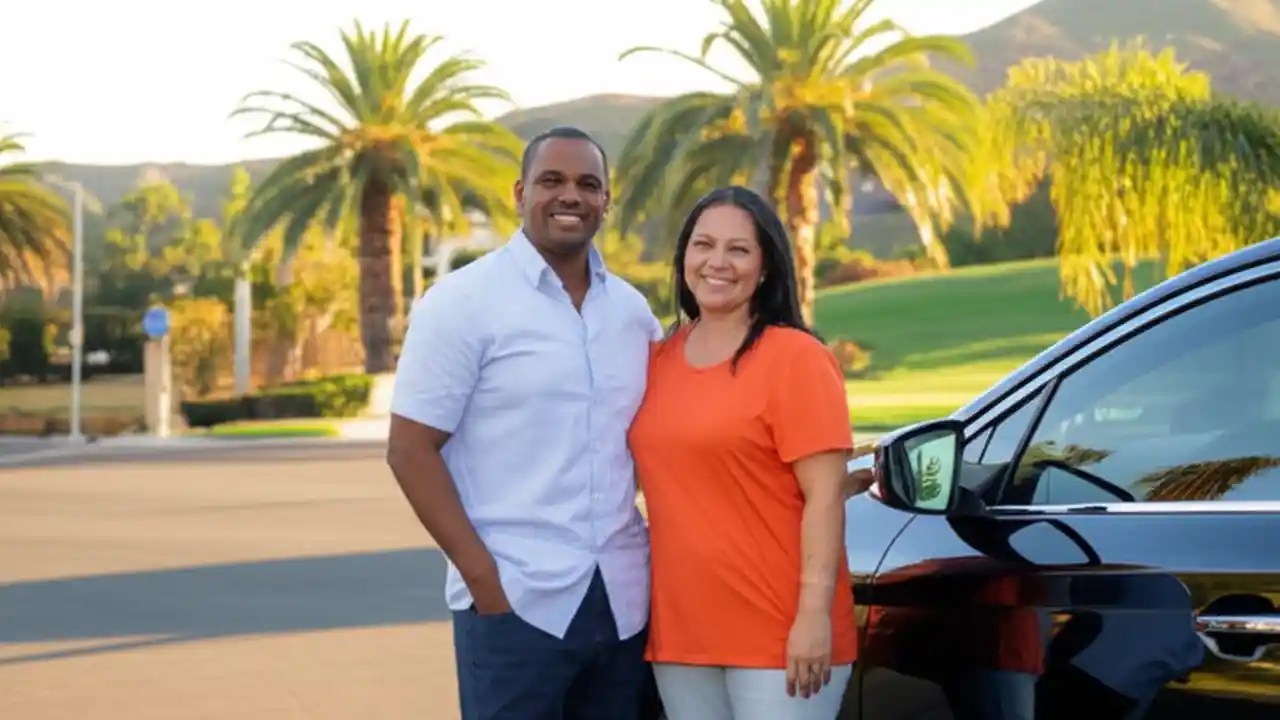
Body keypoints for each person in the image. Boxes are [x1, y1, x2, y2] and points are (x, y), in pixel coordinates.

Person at [386, 126, 662, 720]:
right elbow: (410, 450)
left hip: (623, 603)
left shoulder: (634, 314)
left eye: (589, 184)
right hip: (516, 607)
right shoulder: (462, 302)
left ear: (606, 202)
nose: (571, 196)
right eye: (552, 181)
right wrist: (486, 581)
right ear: (519, 192)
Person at [628, 186, 858, 720]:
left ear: (765, 266)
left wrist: (813, 617)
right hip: (682, 632)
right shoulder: (656, 361)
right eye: (703, 245)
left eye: (738, 249)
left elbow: (825, 496)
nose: (717, 262)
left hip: (781, 628)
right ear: (683, 256)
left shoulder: (796, 359)